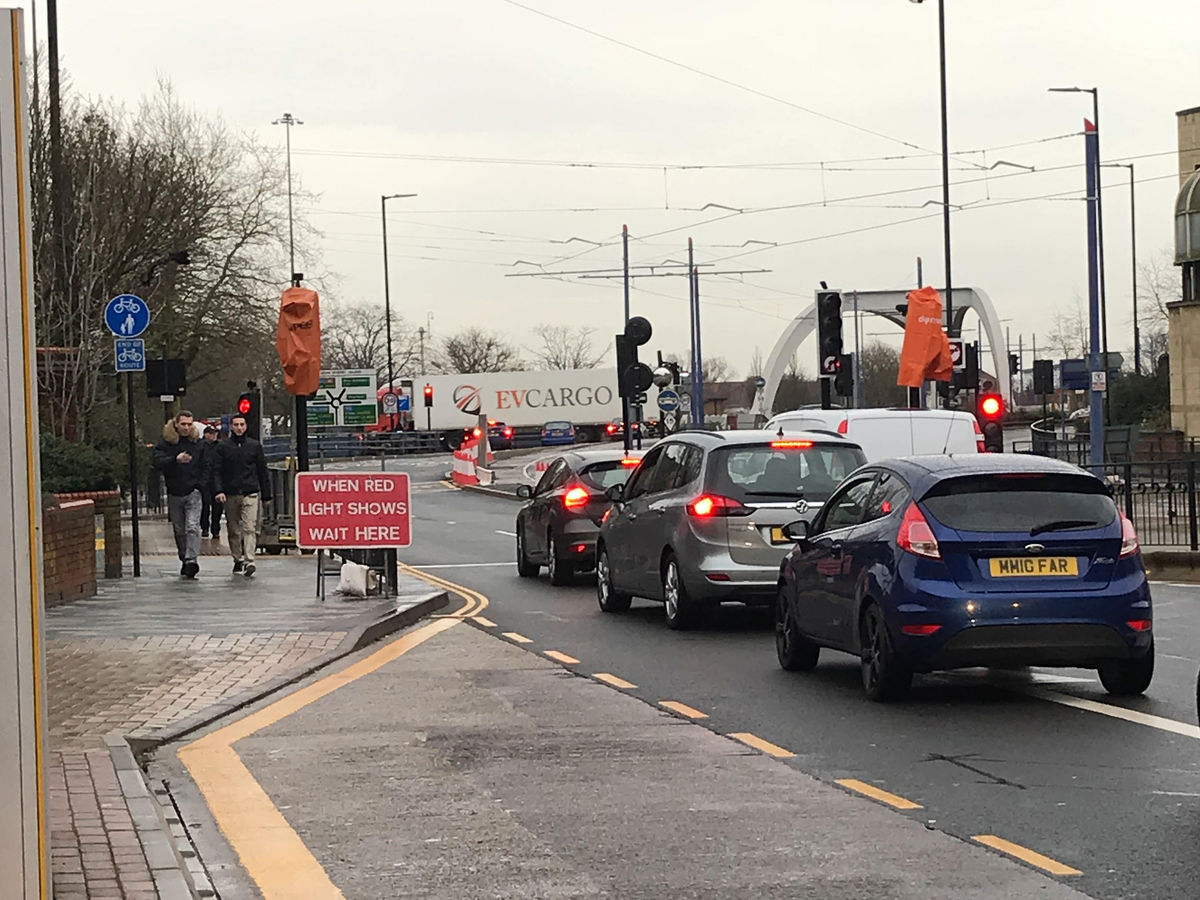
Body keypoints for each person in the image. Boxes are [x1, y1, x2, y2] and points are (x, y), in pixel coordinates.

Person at [152, 410, 209, 579]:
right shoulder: (166, 444)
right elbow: (156, 461)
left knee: (192, 526)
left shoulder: (198, 444)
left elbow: (206, 465)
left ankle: (192, 560)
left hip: (193, 491)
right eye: (183, 424)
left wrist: (200, 485)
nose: (186, 427)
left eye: (189, 424)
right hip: (174, 491)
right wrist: (174, 460)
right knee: (179, 529)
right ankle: (184, 557)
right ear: (176, 424)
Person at [214, 413, 272, 577]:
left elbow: (262, 471)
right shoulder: (223, 447)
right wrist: (219, 490)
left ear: (246, 426)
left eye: (242, 424)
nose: (239, 428)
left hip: (250, 492)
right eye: (236, 425)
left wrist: (266, 495)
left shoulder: (254, 446)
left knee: (249, 527)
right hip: (230, 493)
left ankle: (249, 560)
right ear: (231, 427)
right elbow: (217, 470)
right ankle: (237, 558)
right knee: (234, 529)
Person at [198, 425, 223, 540]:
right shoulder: (201, 446)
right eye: (211, 433)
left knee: (217, 507)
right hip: (205, 481)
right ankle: (205, 528)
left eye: (215, 434)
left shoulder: (220, 446)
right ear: (206, 434)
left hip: (216, 480)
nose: (214, 436)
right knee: (205, 505)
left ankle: (215, 529)